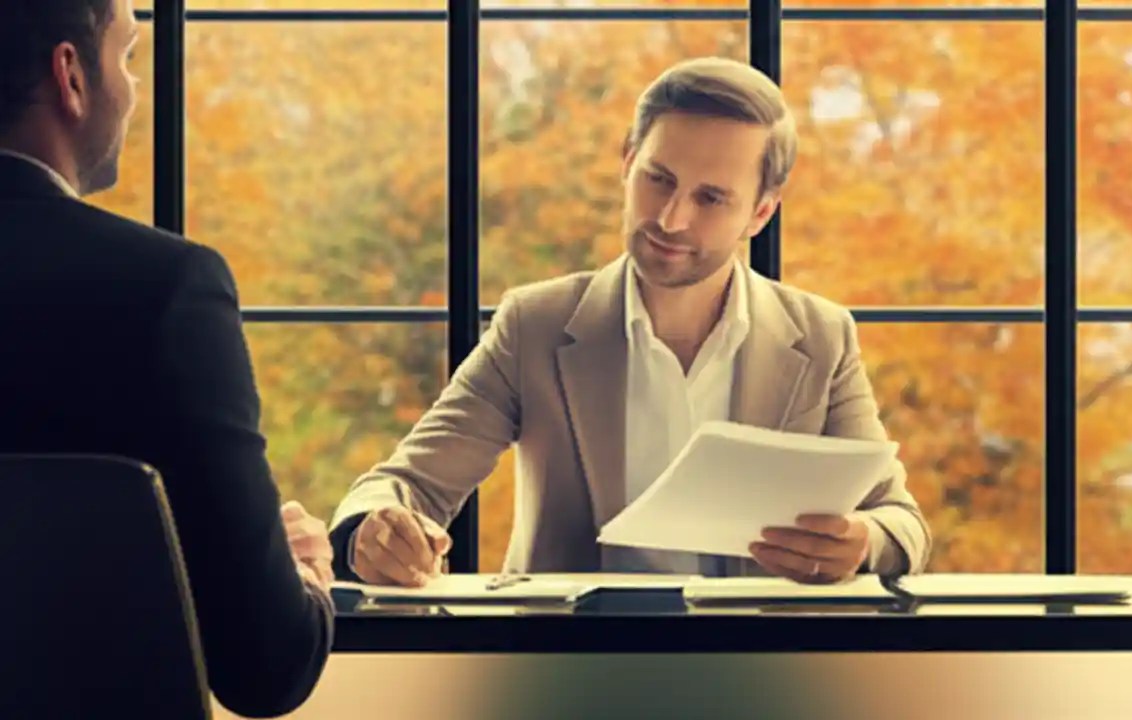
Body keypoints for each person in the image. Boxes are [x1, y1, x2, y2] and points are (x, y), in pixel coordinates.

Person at [330, 56, 932, 586]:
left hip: (759, 666)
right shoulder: (535, 326)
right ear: (627, 162)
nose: (671, 219)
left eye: (711, 198)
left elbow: (901, 524)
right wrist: (374, 531)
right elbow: (405, 485)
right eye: (659, 180)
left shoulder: (821, 336)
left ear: (761, 213)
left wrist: (861, 543)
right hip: (571, 672)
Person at [0, 0, 335, 716]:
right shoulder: (162, 289)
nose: (132, 89)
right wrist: (302, 571)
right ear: (71, 76)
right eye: (126, 57)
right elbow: (267, 667)